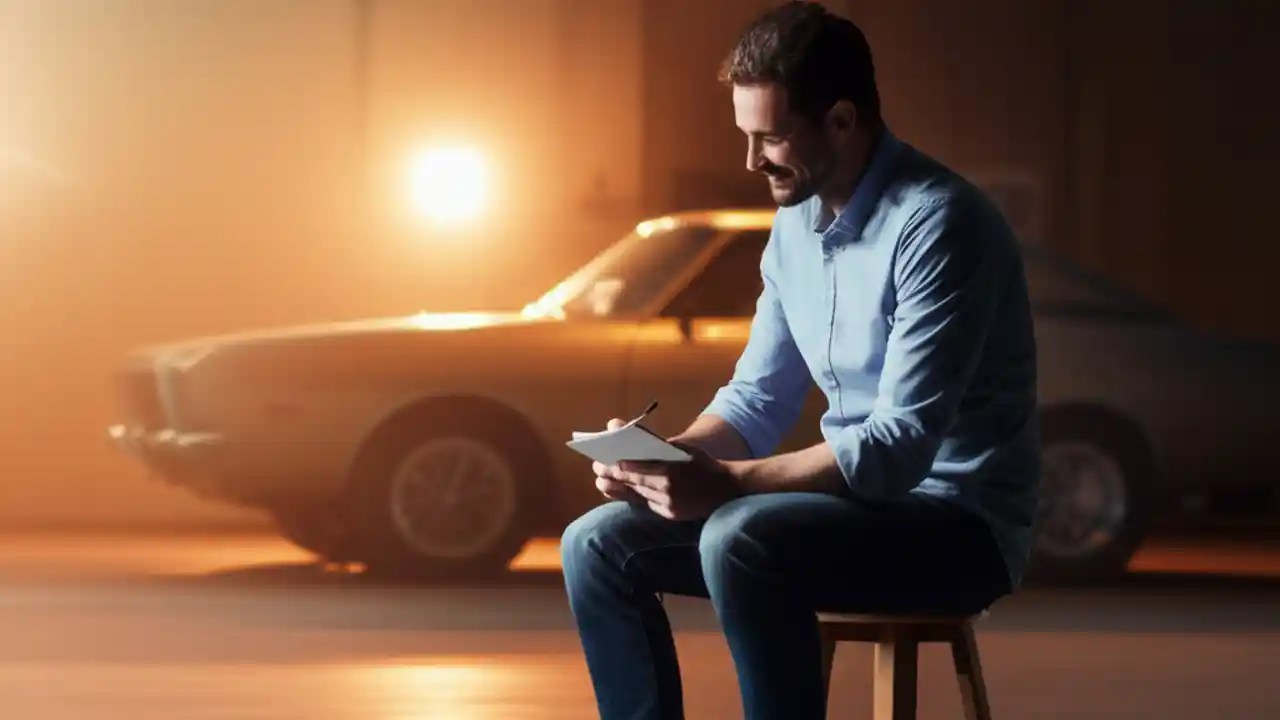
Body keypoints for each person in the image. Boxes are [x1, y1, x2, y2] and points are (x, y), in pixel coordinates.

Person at [560, 3, 1040, 718]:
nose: (751, 162)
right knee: (593, 542)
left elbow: (898, 449)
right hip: (854, 515)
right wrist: (665, 463)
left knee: (741, 535)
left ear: (842, 122)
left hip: (956, 529)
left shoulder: (941, 223)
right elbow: (756, 400)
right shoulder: (792, 229)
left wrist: (725, 485)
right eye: (744, 136)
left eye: (773, 138)